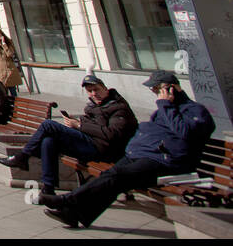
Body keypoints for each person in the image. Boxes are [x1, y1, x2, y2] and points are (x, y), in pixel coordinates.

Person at [42, 70, 214, 229]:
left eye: (157, 89)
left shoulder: (195, 110)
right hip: (143, 155)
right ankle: (73, 214)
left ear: (173, 88)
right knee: (111, 176)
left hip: (167, 162)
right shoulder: (165, 109)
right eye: (154, 90)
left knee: (116, 177)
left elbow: (184, 133)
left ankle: (67, 200)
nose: (155, 93)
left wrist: (165, 105)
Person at [0, 74, 137, 197]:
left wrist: (80, 125)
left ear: (105, 89)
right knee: (49, 141)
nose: (93, 94)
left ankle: (22, 157)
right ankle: (48, 189)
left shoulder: (118, 107)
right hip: (91, 143)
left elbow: (111, 135)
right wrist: (76, 124)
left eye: (96, 90)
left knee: (48, 125)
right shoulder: (93, 105)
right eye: (89, 91)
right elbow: (92, 124)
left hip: (105, 150)